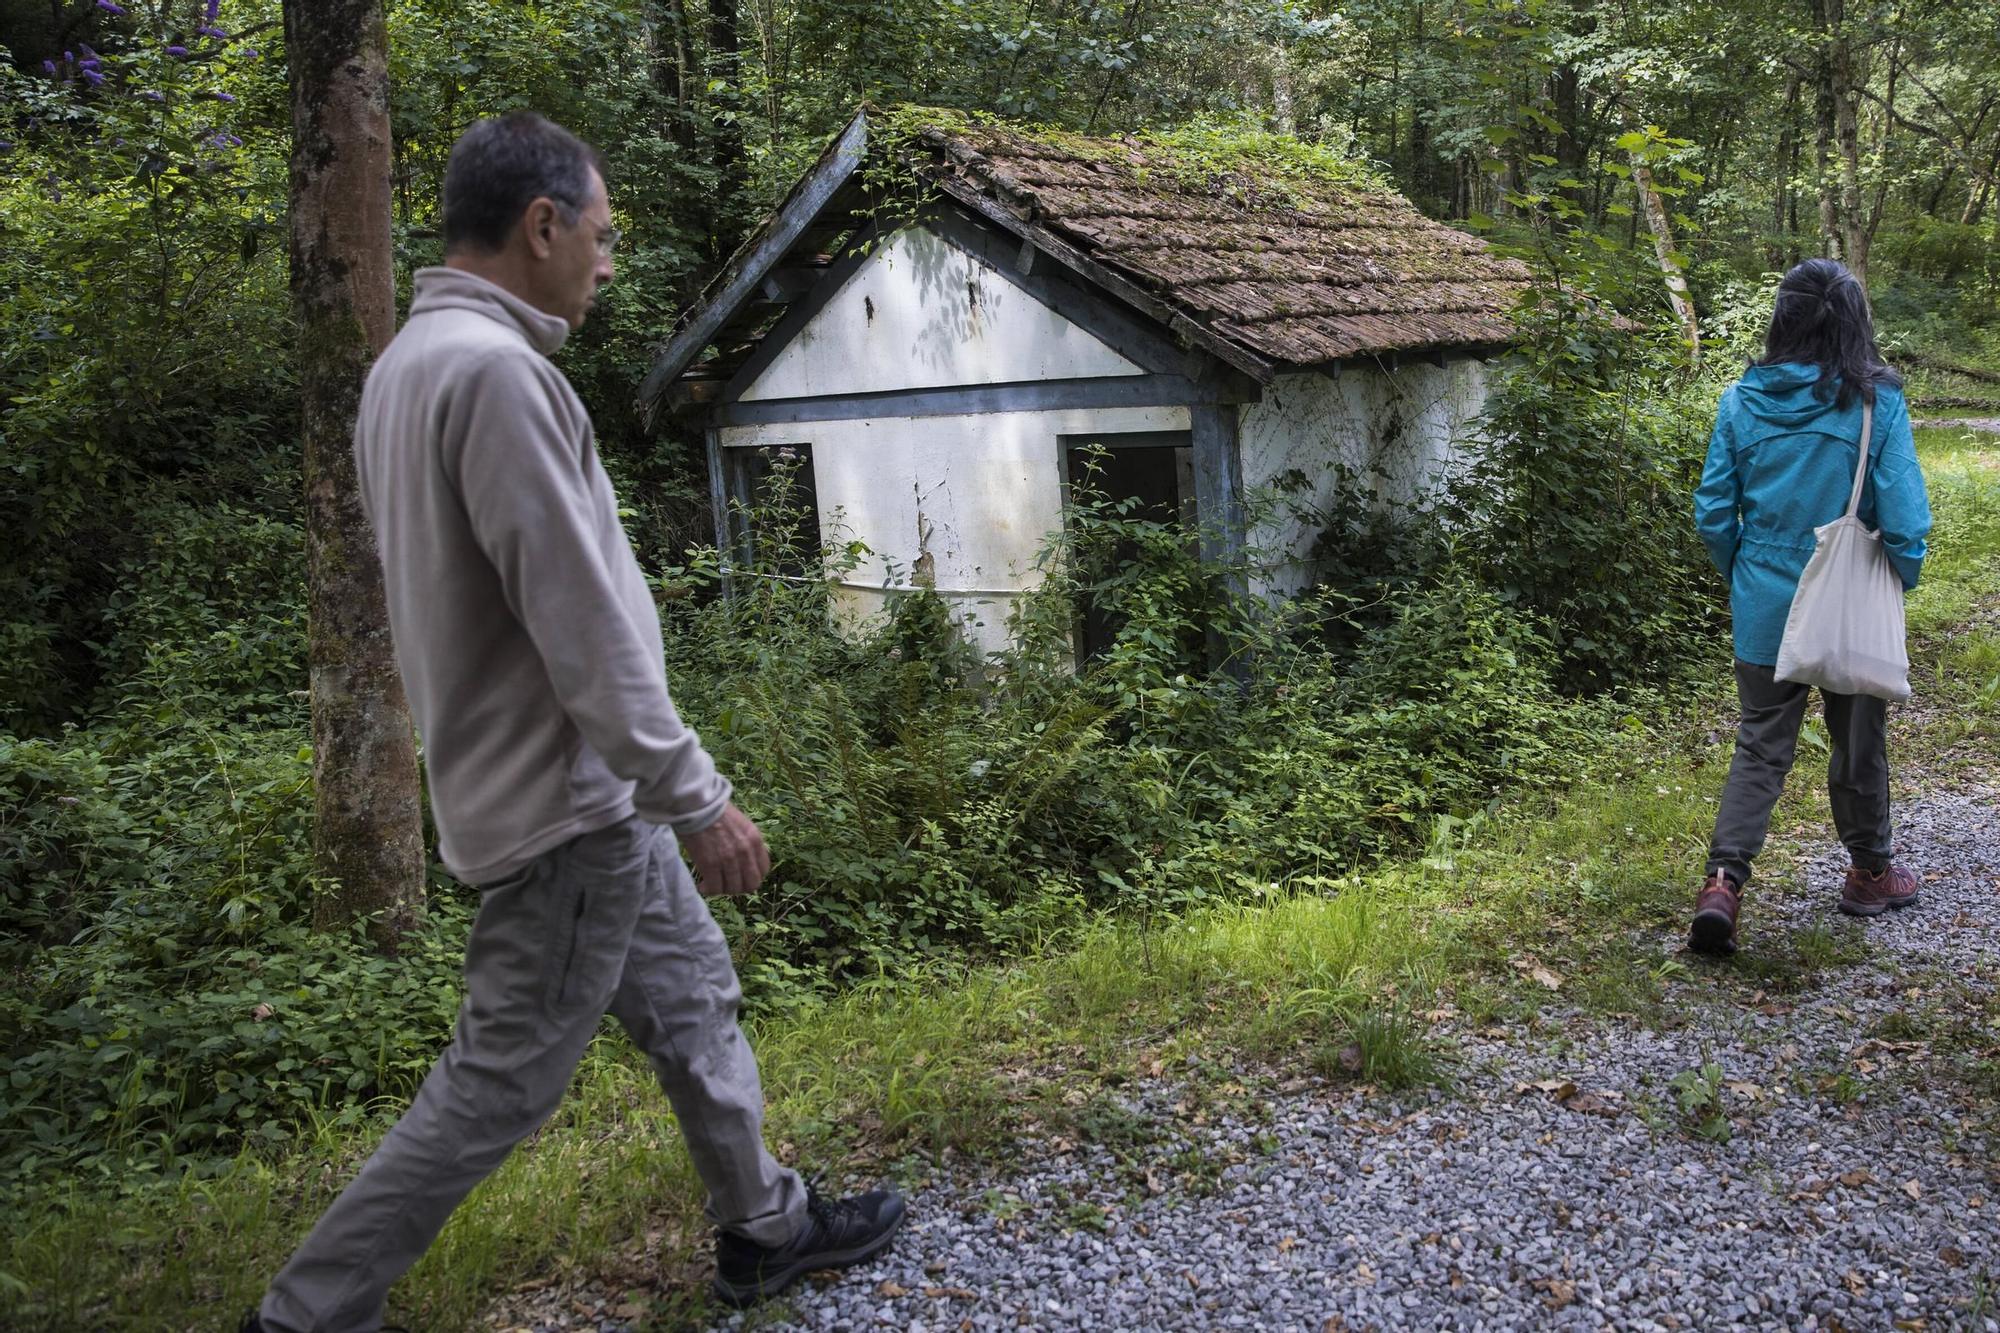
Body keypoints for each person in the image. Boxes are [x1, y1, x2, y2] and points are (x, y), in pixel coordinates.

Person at [247, 112, 904, 1332]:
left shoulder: (411, 364)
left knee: (693, 995)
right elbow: (579, 621)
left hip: (570, 789)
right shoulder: (496, 376)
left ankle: (764, 1227)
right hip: (567, 801)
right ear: (540, 224)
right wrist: (693, 792)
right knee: (498, 1079)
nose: (608, 261)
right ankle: (308, 1313)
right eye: (599, 235)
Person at [1688, 258, 1933, 955]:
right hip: (1847, 600)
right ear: (1855, 323)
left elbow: (1713, 511)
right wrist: (1896, 580)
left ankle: (1723, 884)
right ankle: (1869, 872)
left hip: (1765, 601)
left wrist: (1746, 572)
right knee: (1860, 738)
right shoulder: (1875, 404)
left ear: (1782, 321)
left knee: (1761, 744)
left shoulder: (1742, 400)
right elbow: (1907, 520)